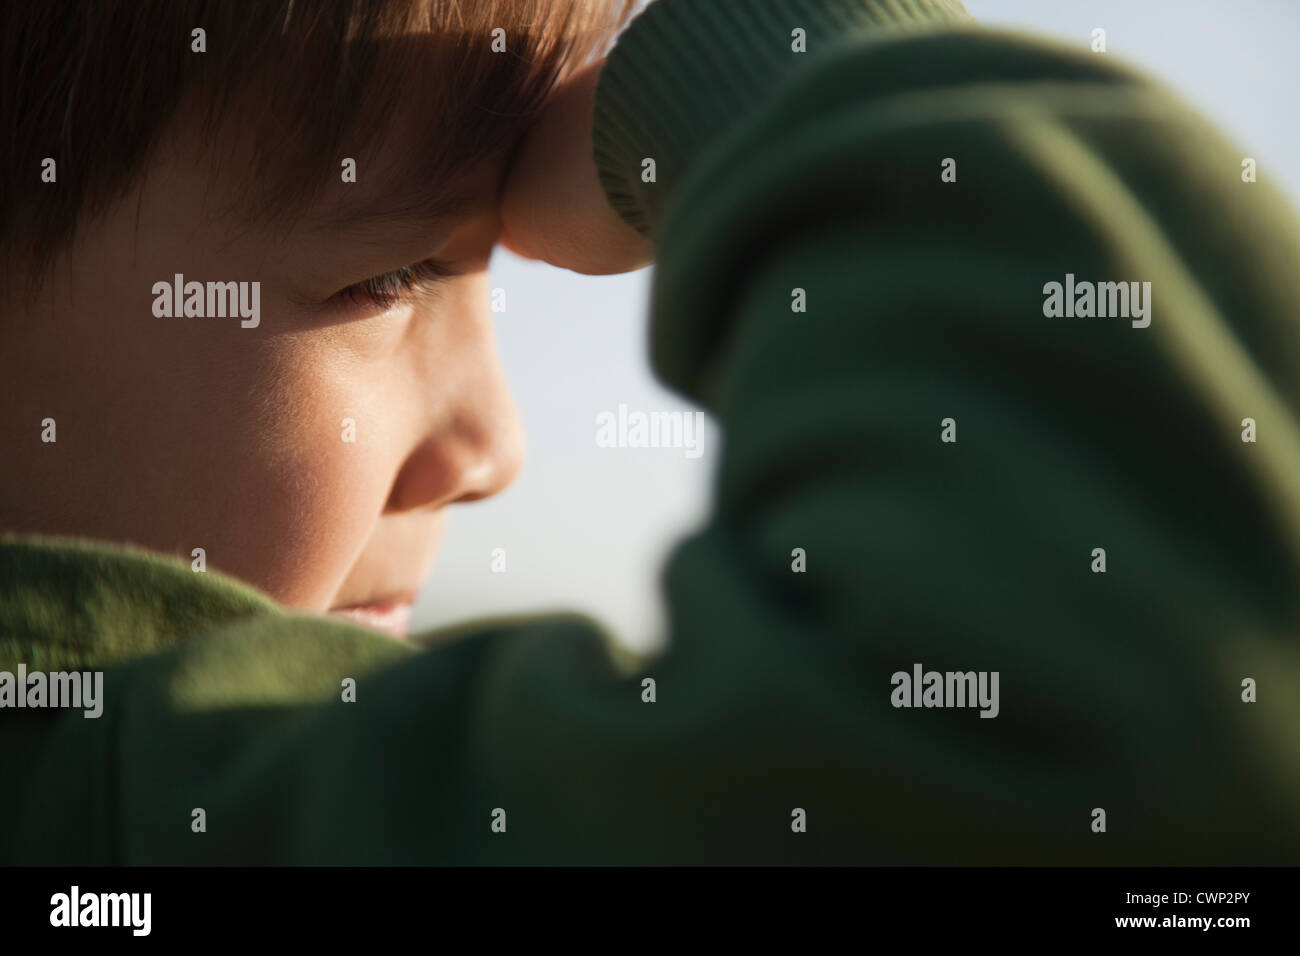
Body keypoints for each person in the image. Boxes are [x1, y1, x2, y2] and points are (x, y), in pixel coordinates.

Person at [2, 0, 1297, 864]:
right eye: (390, 277)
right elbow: (1149, 693)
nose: (496, 444)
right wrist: (781, 62)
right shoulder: (124, 810)